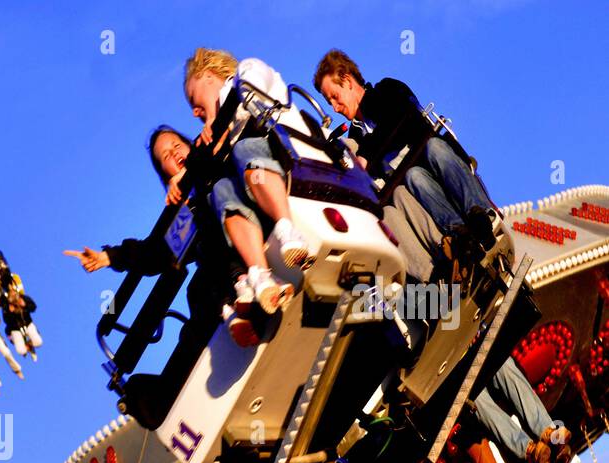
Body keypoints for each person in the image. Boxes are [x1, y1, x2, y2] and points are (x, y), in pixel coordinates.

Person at [65, 124, 257, 351]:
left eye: (177, 146)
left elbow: (224, 166)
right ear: (166, 175)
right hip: (215, 269)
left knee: (210, 241)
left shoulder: (214, 154)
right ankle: (228, 316)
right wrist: (109, 257)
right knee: (196, 290)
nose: (175, 153)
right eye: (166, 155)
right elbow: (154, 253)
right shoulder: (182, 216)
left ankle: (240, 288)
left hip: (245, 226)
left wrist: (192, 172)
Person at [312, 50, 499, 256]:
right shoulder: (356, 135)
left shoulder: (387, 90)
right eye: (329, 103)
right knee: (413, 177)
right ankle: (461, 236)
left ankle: (481, 215)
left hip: (435, 159)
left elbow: (401, 119)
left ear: (347, 80)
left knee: (434, 148)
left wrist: (366, 155)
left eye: (334, 97)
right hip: (419, 183)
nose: (335, 108)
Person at [185, 48, 312, 321]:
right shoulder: (222, 133)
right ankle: (260, 274)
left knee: (245, 150)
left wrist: (221, 124)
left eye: (194, 100)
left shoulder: (248, 69)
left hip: (294, 162)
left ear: (208, 75)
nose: (195, 111)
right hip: (258, 191)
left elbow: (251, 95)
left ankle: (287, 229)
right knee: (221, 190)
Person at [0, 284, 43, 360]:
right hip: (16, 329)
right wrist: (10, 313)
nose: (14, 297)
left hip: (27, 324)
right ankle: (27, 348)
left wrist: (25, 305)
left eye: (14, 293)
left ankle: (30, 345)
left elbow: (33, 307)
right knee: (21, 351)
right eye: (11, 295)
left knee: (39, 342)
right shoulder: (6, 306)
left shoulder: (23, 298)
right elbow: (6, 321)